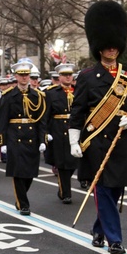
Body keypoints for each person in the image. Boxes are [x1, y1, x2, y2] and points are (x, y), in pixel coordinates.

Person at [69, 0, 127, 254]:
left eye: (115, 45)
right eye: (107, 45)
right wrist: (73, 141)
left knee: (115, 189)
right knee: (102, 189)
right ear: (98, 46)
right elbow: (77, 111)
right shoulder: (87, 76)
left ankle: (99, 230)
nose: (112, 49)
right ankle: (115, 239)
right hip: (96, 142)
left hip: (121, 141)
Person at [0, 61, 47, 215]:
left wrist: (42, 139)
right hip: (15, 136)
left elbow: (41, 120)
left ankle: (21, 196)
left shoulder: (37, 96)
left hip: (31, 136)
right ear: (16, 76)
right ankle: (23, 203)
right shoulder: (8, 96)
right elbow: (2, 120)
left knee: (30, 172)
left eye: (27, 75)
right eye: (22, 75)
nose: (25, 78)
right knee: (18, 171)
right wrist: (3, 141)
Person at [44, 62, 79, 203]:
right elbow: (46, 114)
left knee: (73, 162)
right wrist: (46, 132)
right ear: (59, 77)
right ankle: (66, 193)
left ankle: (63, 188)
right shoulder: (51, 93)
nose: (68, 77)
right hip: (58, 129)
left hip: (75, 128)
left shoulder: (78, 91)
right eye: (65, 75)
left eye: (70, 75)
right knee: (63, 163)